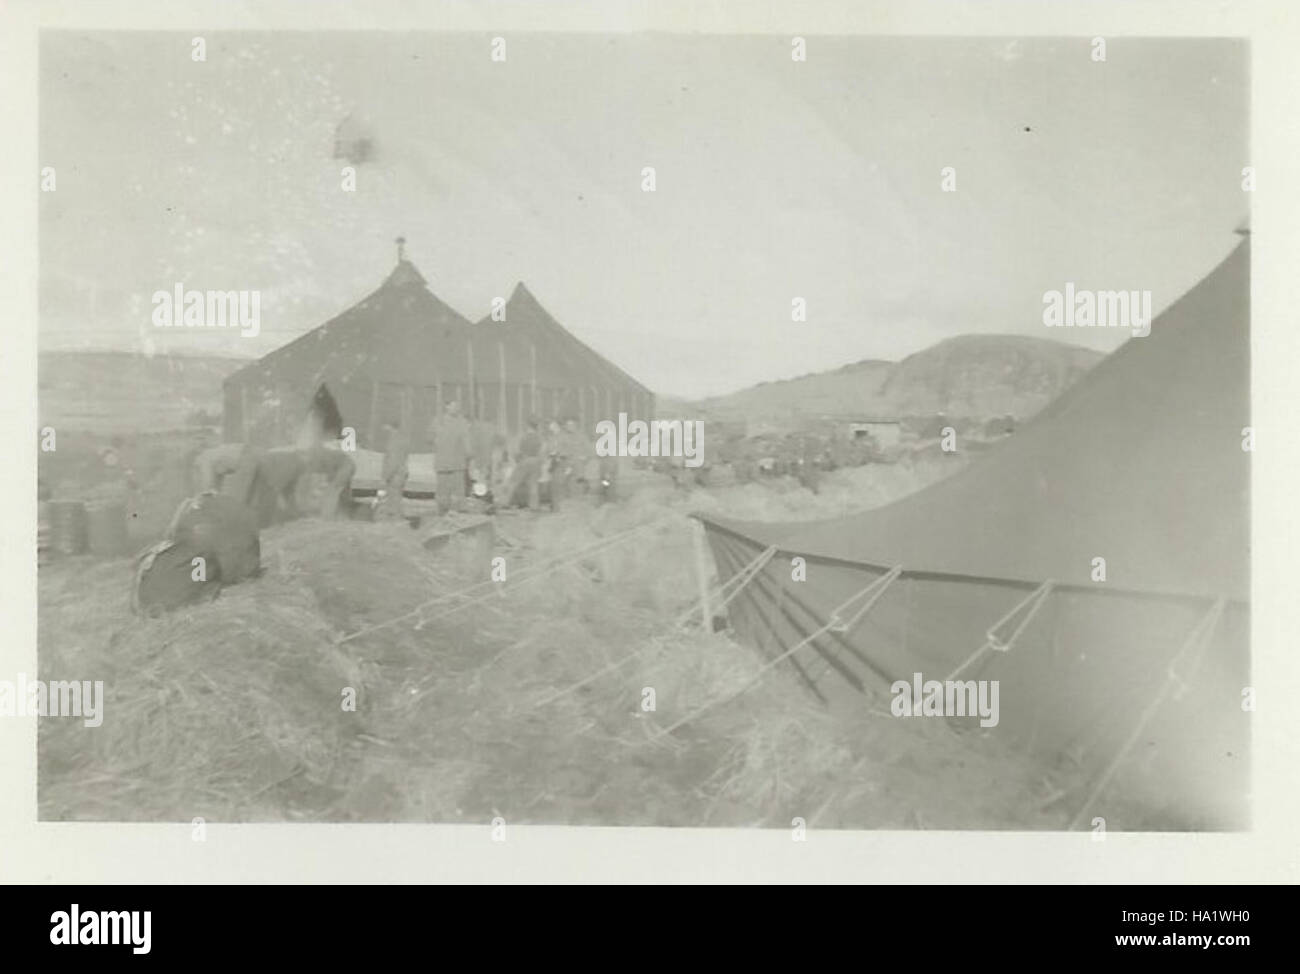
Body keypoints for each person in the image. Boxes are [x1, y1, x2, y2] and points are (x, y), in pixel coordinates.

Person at [429, 400, 471, 515]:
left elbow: (467, 441)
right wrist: (436, 442)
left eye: (457, 406)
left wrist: (468, 454)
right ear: (446, 407)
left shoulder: (462, 422)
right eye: (452, 406)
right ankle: (442, 512)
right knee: (442, 489)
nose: (455, 408)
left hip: (457, 462)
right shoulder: (438, 421)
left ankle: (461, 512)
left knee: (459, 489)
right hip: (442, 462)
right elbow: (430, 438)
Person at [506, 418, 543, 510]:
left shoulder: (525, 437)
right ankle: (534, 506)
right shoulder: (539, 438)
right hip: (535, 461)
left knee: (513, 482)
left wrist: (517, 459)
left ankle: (505, 502)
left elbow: (519, 451)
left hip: (525, 460)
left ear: (529, 426)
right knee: (533, 485)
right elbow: (541, 452)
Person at [378, 420, 410, 520]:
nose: (384, 431)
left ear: (390, 428)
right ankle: (397, 518)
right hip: (401, 472)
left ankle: (396, 519)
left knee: (393, 498)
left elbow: (393, 461)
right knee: (397, 497)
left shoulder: (393, 441)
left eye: (386, 428)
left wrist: (385, 476)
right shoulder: (402, 439)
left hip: (395, 474)